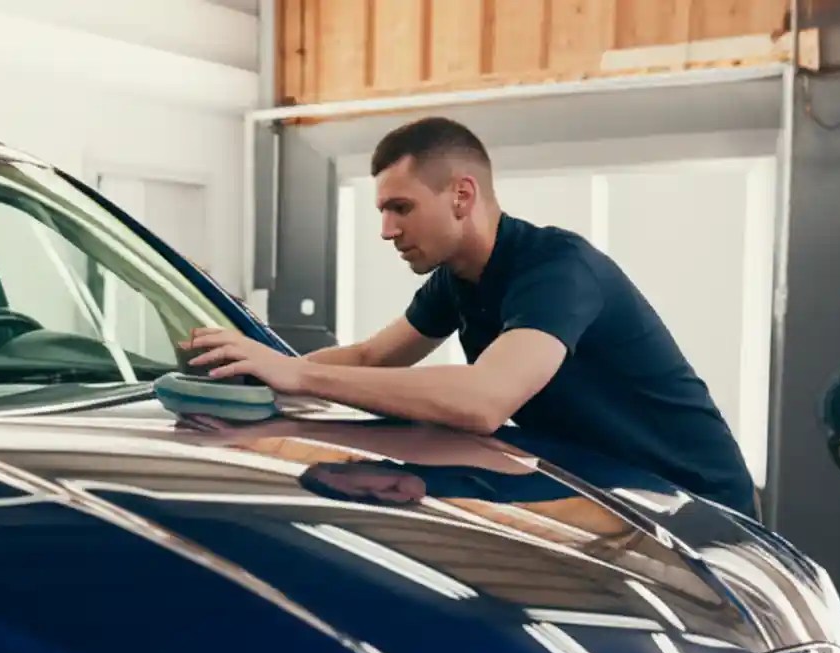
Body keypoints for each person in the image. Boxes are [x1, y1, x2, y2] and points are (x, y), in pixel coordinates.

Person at [182, 116, 758, 519]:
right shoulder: (457, 280)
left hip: (695, 507)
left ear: (462, 195)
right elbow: (372, 357)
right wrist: (262, 374)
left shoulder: (558, 267)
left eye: (400, 208)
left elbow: (485, 400)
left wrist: (300, 377)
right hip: (591, 486)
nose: (386, 230)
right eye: (383, 211)